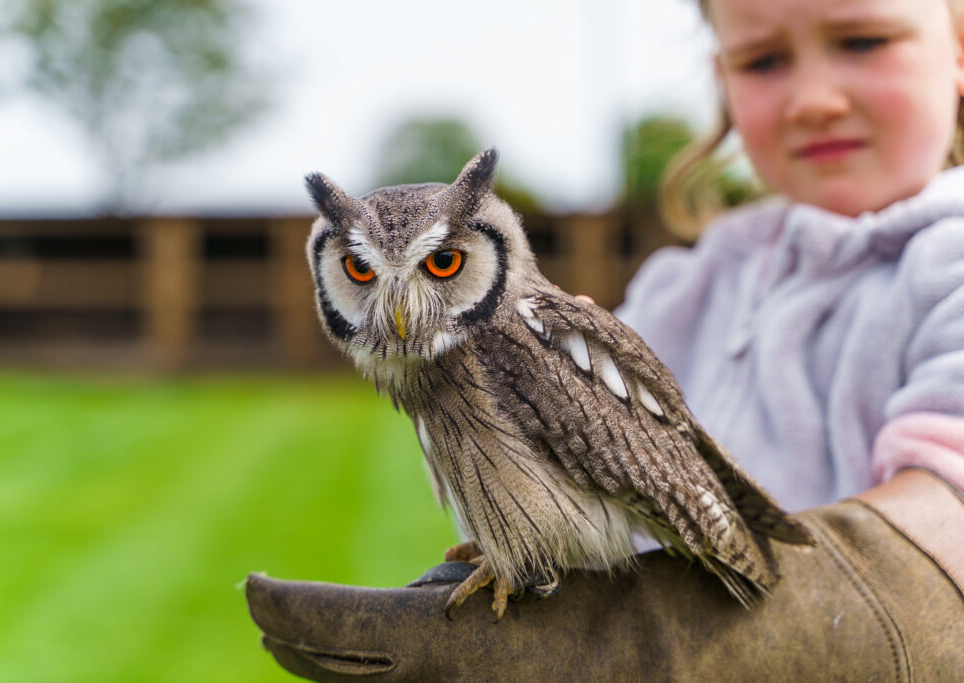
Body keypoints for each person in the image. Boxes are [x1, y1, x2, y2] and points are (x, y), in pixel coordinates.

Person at [247, 0, 964, 679]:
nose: (815, 99)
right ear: (723, 80)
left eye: (863, 41)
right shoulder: (682, 287)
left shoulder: (950, 265)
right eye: (763, 60)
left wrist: (650, 633)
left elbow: (947, 519)